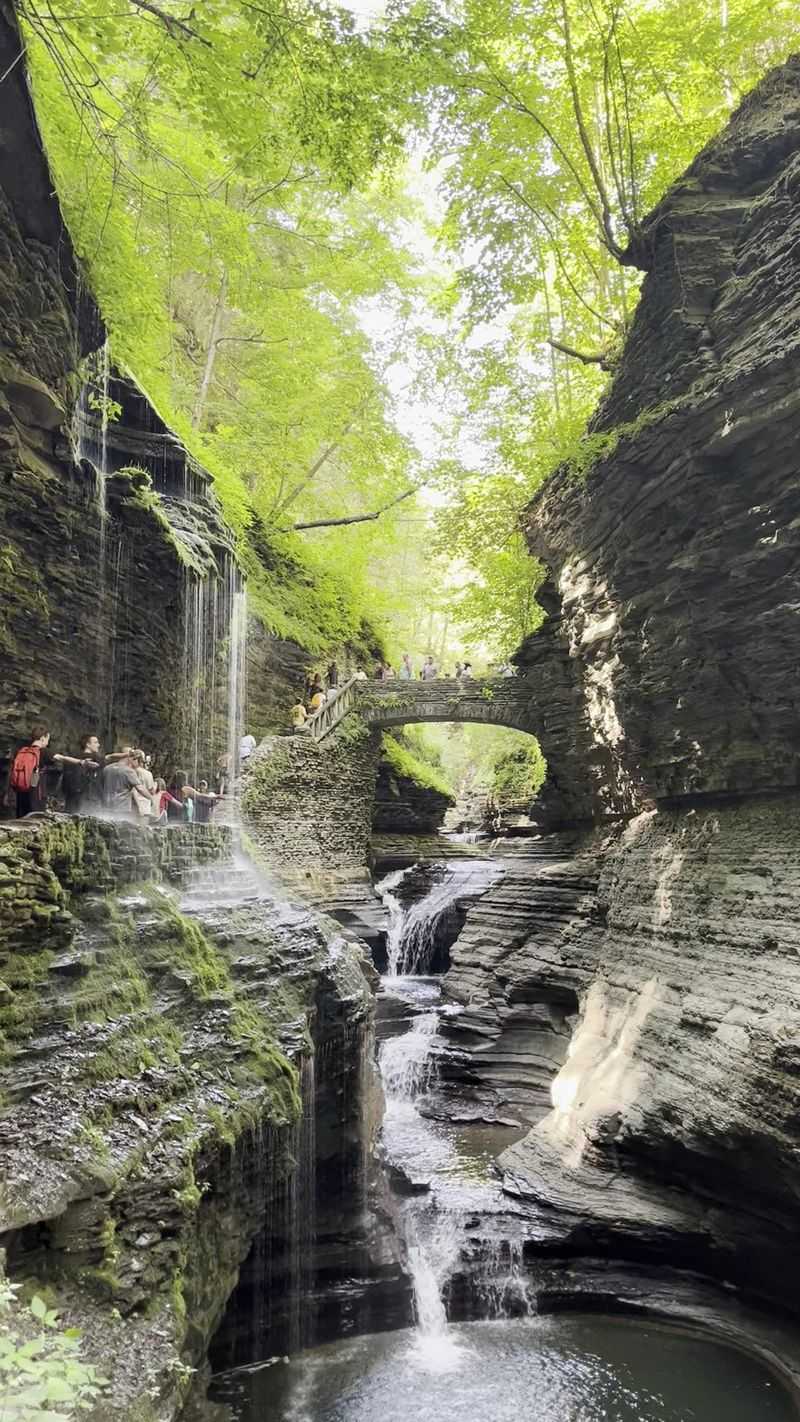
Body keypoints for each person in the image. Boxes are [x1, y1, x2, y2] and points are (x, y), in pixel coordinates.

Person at [10, 725, 82, 818]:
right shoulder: (43, 752)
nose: (48, 742)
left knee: (21, 818)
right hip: (36, 792)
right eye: (48, 739)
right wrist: (81, 762)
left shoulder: (21, 751)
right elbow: (61, 758)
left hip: (20, 791)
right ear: (43, 738)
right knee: (35, 819)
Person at [61, 733, 103, 815]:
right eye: (95, 742)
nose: (98, 745)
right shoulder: (96, 759)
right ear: (88, 744)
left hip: (71, 798)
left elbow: (65, 779)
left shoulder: (71, 758)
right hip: (89, 798)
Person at [102, 750, 144, 818]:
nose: (138, 765)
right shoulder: (129, 771)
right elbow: (140, 788)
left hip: (106, 805)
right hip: (122, 808)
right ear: (134, 759)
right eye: (139, 762)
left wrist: (110, 755)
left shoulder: (107, 768)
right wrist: (150, 798)